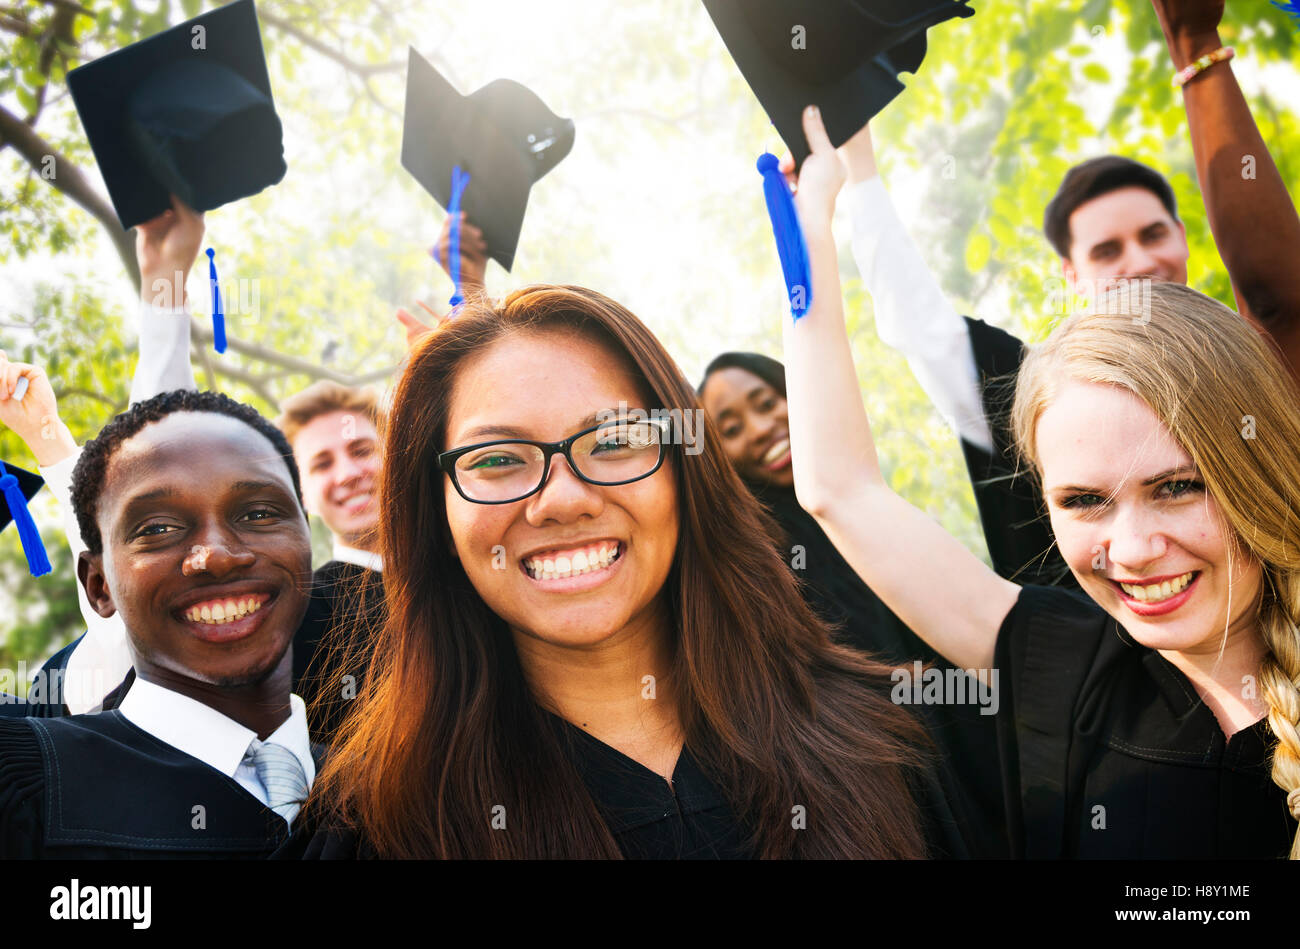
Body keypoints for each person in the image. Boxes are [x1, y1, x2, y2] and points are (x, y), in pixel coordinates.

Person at [783, 103, 1300, 858]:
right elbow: (839, 487)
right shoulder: (1068, 665)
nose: (1131, 550)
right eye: (1083, 500)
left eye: (1178, 486)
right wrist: (812, 230)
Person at [287, 284, 965, 859]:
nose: (562, 498)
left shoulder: (875, 734)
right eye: (497, 459)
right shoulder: (381, 824)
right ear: (436, 515)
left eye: (612, 441)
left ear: (684, 470)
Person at [846, 0, 1300, 589]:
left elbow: (1275, 299)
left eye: (1152, 235)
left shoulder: (1240, 364)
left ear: (1183, 240)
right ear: (1071, 274)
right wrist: (856, 169)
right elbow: (919, 326)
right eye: (1107, 250)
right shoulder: (1037, 394)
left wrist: (1199, 48)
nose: (1139, 262)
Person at [0, 390, 318, 857]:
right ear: (98, 586)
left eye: (258, 513)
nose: (218, 556)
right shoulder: (31, 784)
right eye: (157, 529)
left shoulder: (410, 785)